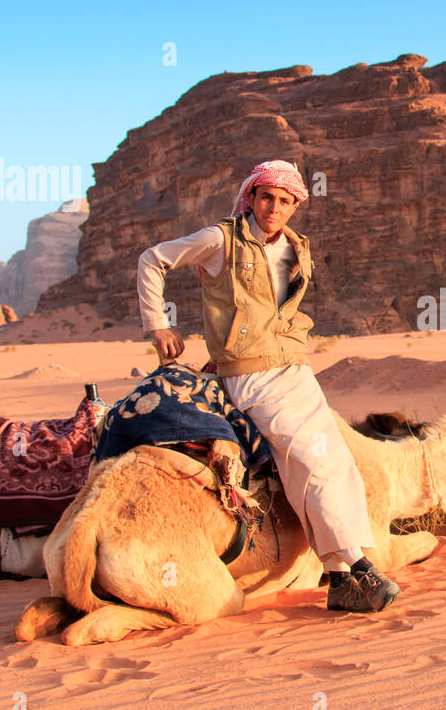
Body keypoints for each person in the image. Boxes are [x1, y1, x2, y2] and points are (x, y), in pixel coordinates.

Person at [136, 159, 401, 613]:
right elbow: (152, 259)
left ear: (295, 205)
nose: (273, 208)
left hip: (294, 369)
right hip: (250, 375)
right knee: (309, 459)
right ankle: (358, 566)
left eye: (284, 201)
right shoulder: (221, 241)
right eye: (265, 198)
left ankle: (338, 580)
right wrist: (158, 324)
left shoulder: (298, 249)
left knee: (337, 461)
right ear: (251, 197)